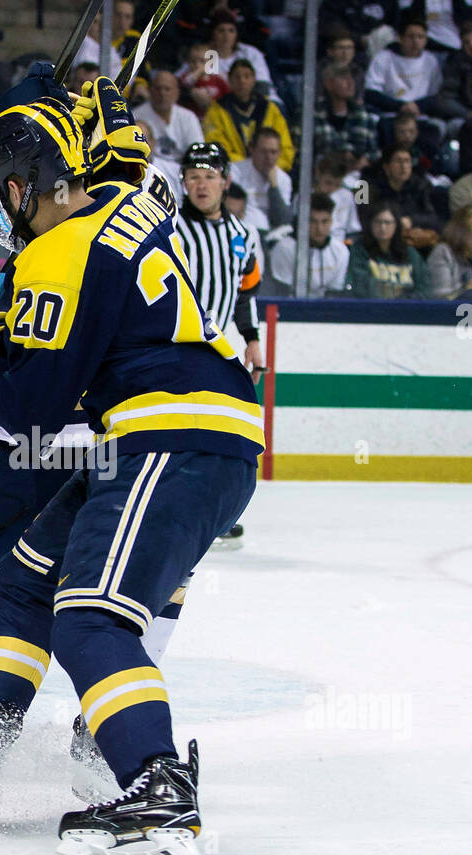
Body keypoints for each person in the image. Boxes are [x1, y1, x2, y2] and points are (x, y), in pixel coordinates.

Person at [0, 93, 259, 855]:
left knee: (90, 618)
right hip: (151, 435)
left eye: (1, 186)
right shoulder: (127, 207)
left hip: (174, 434)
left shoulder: (58, 251)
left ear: (28, 183)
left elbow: (30, 410)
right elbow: (128, 181)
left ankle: (159, 790)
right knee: (25, 586)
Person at [174, 141, 262, 550]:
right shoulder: (169, 225)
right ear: (183, 182)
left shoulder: (241, 235)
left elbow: (246, 291)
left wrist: (253, 340)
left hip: (217, 347)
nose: (202, 184)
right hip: (170, 345)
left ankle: (212, 512)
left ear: (225, 181)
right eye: (194, 176)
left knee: (220, 434)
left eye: (210, 176)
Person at [202, 61, 294, 166]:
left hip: (269, 171)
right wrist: (248, 166)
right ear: (229, 80)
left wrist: (268, 167)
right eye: (237, 77)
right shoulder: (216, 110)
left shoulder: (270, 109)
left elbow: (286, 150)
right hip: (233, 172)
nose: (242, 81)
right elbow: (216, 147)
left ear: (254, 79)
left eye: (247, 76)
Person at [269, 192, 350, 297]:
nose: (319, 229)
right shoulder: (284, 249)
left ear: (331, 221)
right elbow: (282, 291)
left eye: (324, 221)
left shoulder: (341, 251)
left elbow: (335, 292)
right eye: (313, 221)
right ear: (301, 221)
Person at [346, 203, 432, 298]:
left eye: (387, 223)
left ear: (396, 225)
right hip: (372, 308)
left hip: (408, 309)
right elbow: (359, 287)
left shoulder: (409, 253)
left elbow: (425, 288)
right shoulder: (360, 251)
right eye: (378, 222)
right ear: (370, 224)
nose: (382, 227)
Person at [310, 62, 380, 169]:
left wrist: (365, 160)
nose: (350, 83)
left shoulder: (363, 115)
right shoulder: (312, 114)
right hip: (322, 175)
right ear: (329, 84)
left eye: (351, 78)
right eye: (343, 78)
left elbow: (375, 152)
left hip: (357, 178)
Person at [228, 127, 294, 234]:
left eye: (273, 152)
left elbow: (282, 220)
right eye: (264, 151)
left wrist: (274, 186)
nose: (269, 157)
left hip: (272, 234)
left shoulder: (284, 179)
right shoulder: (235, 171)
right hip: (240, 228)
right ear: (252, 149)